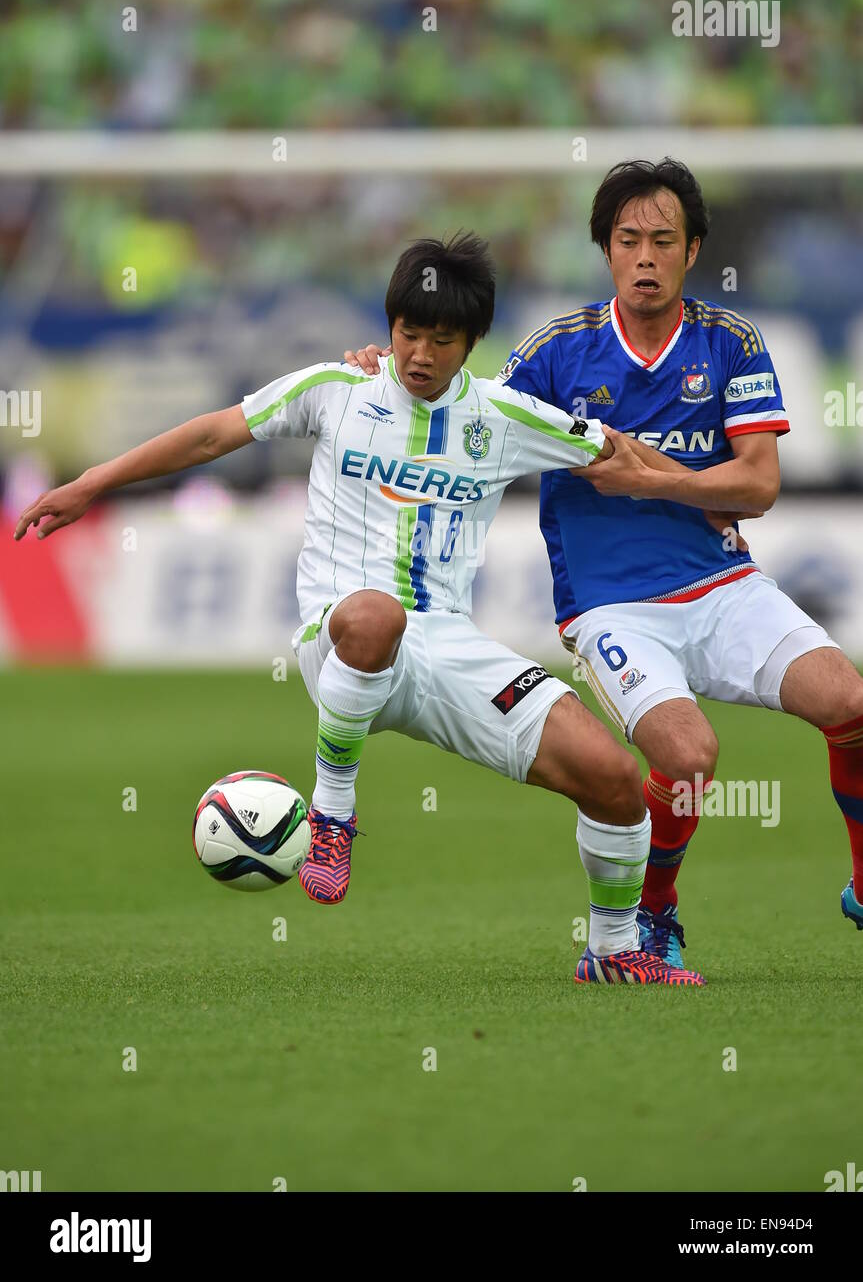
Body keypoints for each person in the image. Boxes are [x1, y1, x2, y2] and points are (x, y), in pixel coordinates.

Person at [13, 231, 704, 986]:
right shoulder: (335, 389)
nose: (418, 354)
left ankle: (609, 951)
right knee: (378, 614)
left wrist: (720, 504)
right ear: (388, 326)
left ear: (471, 343)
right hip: (340, 633)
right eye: (407, 333)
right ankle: (331, 812)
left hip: (448, 648)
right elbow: (214, 432)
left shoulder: (506, 418)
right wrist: (90, 483)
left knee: (611, 778)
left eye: (441, 340)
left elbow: (621, 453)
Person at [344, 168, 863, 967]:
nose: (644, 257)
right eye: (627, 241)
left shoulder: (731, 342)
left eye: (662, 241)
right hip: (609, 606)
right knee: (687, 758)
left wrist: (654, 480)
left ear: (692, 251)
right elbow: (462, 412)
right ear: (606, 251)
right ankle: (651, 916)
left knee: (851, 703)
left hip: (724, 586)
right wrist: (388, 368)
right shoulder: (558, 352)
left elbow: (757, 486)